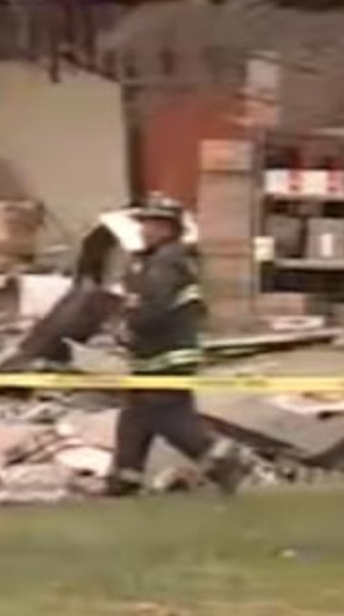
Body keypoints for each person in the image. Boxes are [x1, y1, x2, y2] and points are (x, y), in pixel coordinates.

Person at [106, 194, 249, 497]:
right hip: (152, 357)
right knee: (134, 418)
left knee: (169, 419)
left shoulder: (166, 264)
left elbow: (151, 309)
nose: (144, 229)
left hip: (166, 357)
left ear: (169, 228)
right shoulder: (152, 261)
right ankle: (123, 480)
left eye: (151, 224)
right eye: (143, 223)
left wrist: (127, 327)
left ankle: (225, 464)